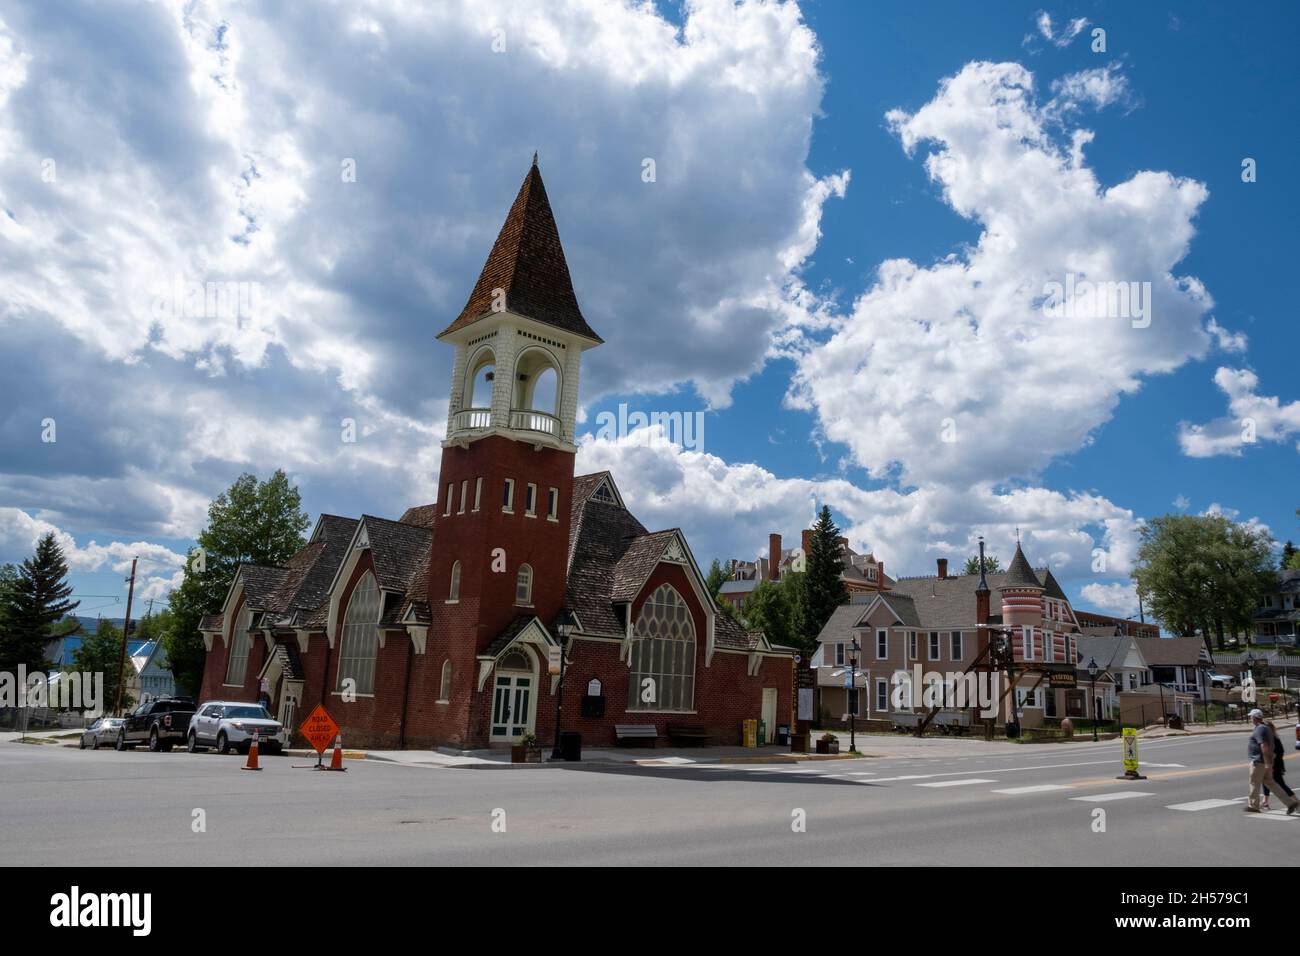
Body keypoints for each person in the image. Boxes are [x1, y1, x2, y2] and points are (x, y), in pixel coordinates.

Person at [1247, 709, 1298, 813]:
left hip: (1259, 762)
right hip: (1266, 762)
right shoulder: (1265, 728)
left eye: (1251, 717)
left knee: (1254, 783)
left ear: (1254, 718)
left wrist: (1267, 763)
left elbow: (1264, 745)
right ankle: (1290, 803)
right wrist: (1269, 762)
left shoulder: (1259, 729)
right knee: (1271, 784)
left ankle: (1253, 806)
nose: (1250, 719)